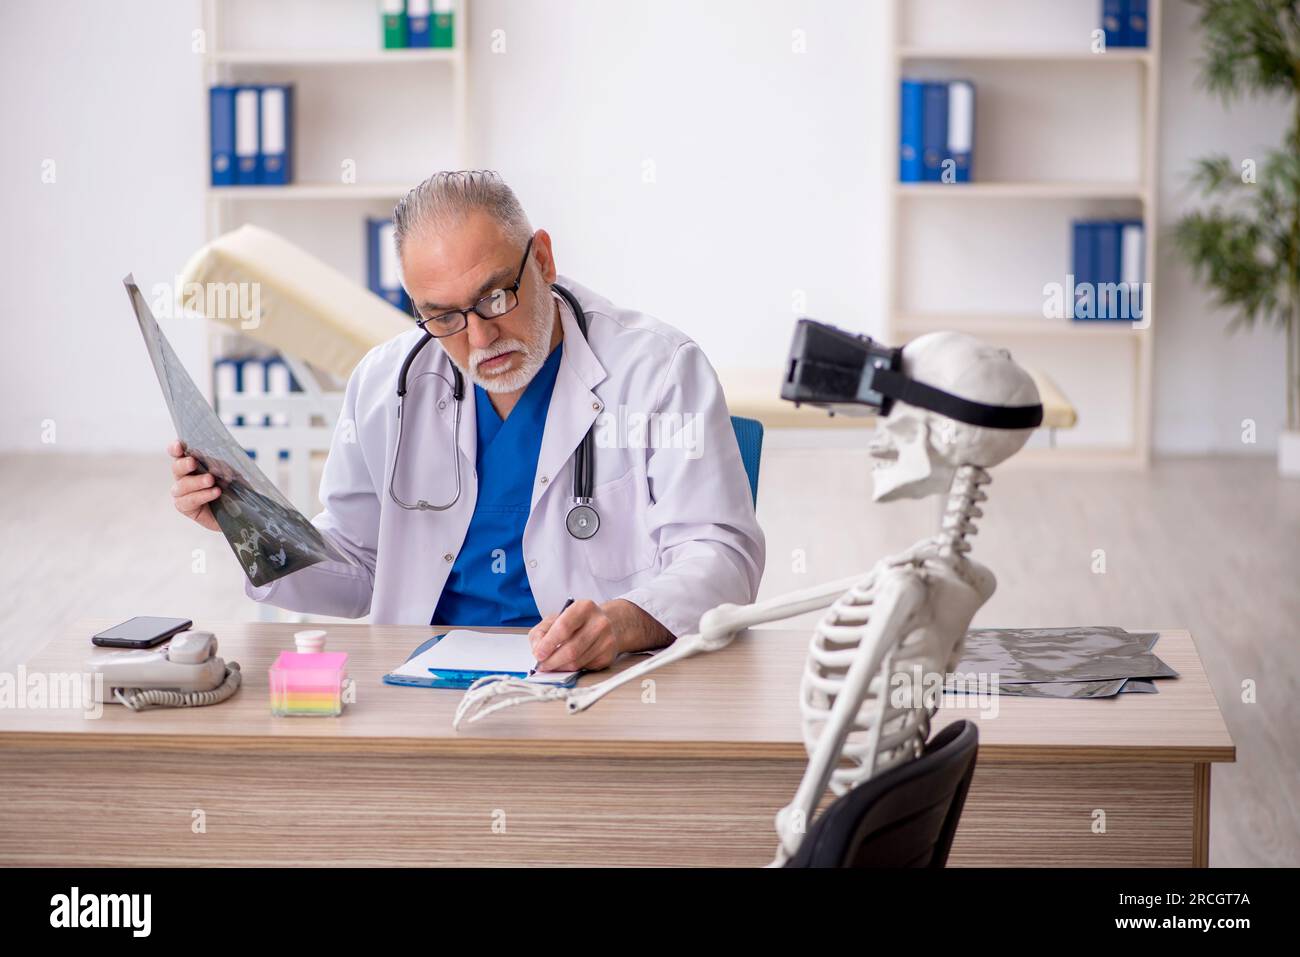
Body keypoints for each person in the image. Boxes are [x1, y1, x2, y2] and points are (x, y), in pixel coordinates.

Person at [169, 170, 764, 673]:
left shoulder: (658, 371)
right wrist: (246, 522)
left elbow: (722, 556)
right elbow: (359, 569)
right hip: (423, 686)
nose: (480, 337)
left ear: (545, 259)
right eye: (443, 316)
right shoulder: (386, 385)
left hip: (595, 685)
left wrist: (622, 623)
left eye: (495, 297)